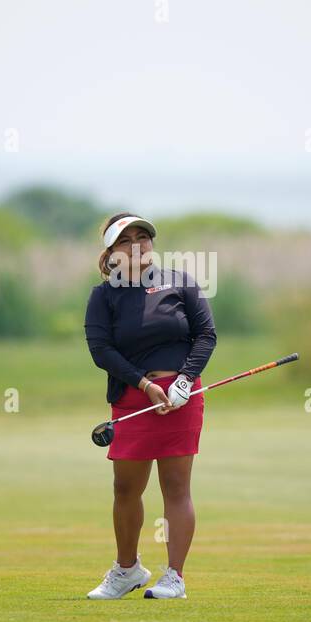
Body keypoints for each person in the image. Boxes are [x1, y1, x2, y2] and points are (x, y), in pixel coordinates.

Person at [83, 212, 217, 599]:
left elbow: (205, 335)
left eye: (144, 236)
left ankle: (174, 577)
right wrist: (145, 384)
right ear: (112, 253)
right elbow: (101, 350)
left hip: (181, 397)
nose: (138, 244)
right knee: (125, 488)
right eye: (127, 239)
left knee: (176, 486)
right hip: (132, 397)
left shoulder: (181, 282)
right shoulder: (103, 296)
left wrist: (184, 380)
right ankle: (127, 570)